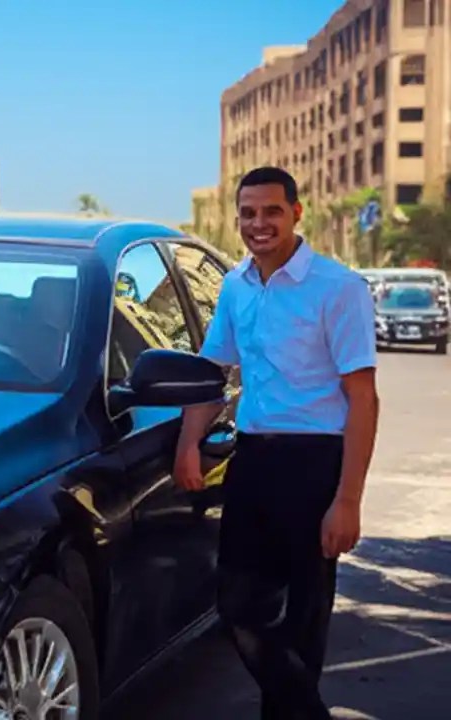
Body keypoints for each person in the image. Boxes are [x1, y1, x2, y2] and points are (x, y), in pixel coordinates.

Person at [173, 167, 380, 719]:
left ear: (296, 213)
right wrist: (188, 442)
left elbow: (364, 400)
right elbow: (213, 371)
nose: (258, 224)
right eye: (248, 213)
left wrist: (348, 500)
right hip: (254, 460)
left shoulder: (338, 289)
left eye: (271, 211)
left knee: (303, 623)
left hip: (315, 465)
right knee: (238, 608)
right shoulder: (236, 284)